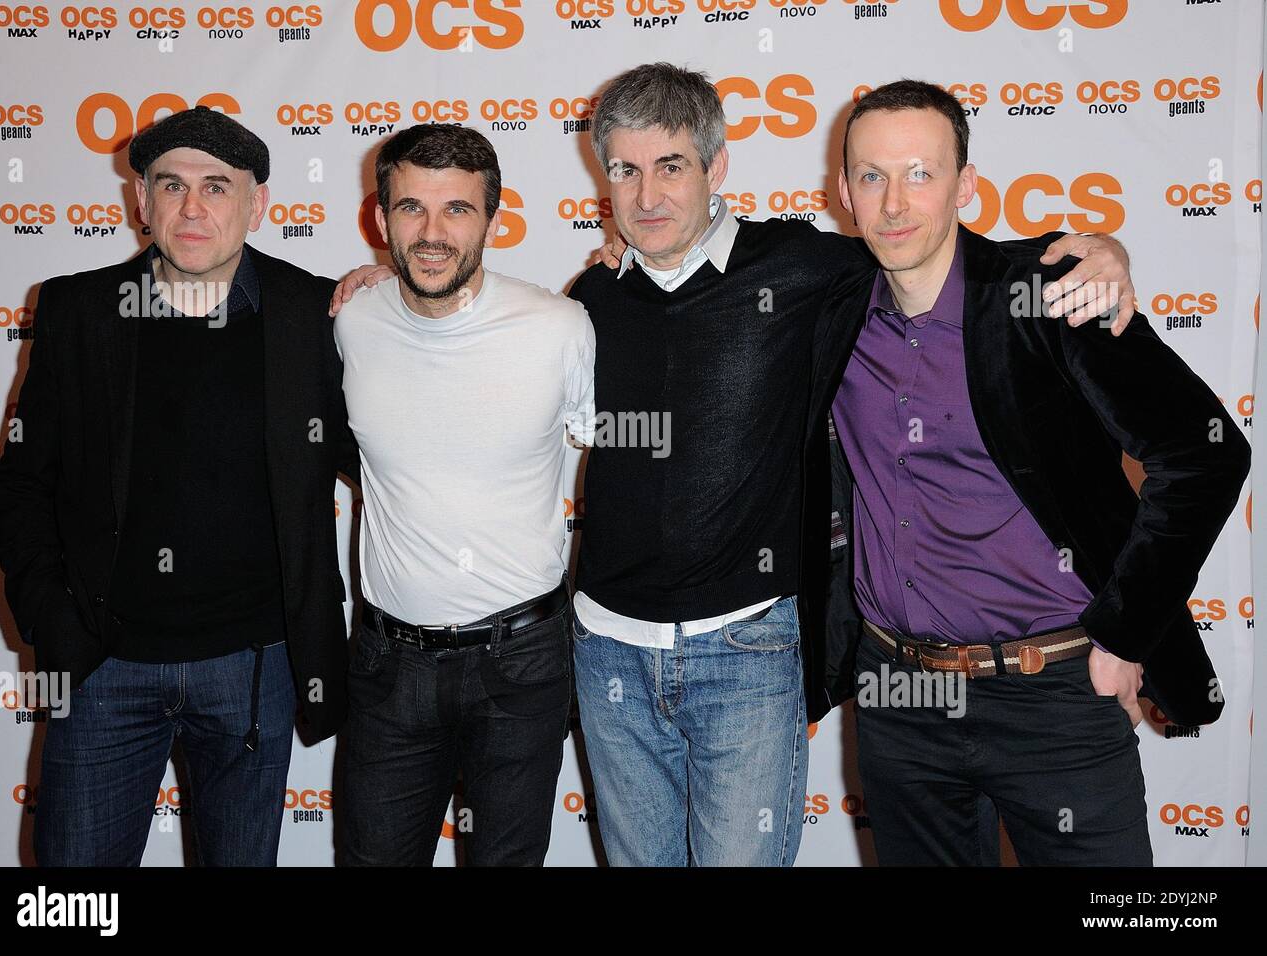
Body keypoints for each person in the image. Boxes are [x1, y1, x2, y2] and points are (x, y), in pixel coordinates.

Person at [332, 63, 1135, 866]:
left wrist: (1086, 252)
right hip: (607, 650)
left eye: (672, 166)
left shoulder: (802, 266)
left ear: (716, 169)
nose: (647, 196)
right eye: (626, 170)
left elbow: (931, 251)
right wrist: (384, 282)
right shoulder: (593, 299)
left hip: (748, 651)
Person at [801, 79, 1251, 865]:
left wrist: (1125, 628)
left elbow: (1206, 451)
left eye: (921, 173)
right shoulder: (829, 300)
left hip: (1054, 698)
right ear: (843, 191)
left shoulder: (1048, 294)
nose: (895, 202)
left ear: (966, 185)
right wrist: (623, 250)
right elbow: (698, 244)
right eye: (872, 176)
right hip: (900, 699)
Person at [0, 106, 357, 866]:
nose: (193, 209)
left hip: (255, 667)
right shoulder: (80, 310)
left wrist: (398, 289)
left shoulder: (312, 314)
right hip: (104, 667)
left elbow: (390, 454)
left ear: (257, 205)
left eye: (217, 187)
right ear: (140, 203)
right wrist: (56, 628)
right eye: (171, 186)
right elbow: (25, 483)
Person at [335, 124, 595, 866]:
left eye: (457, 210)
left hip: (522, 665)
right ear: (379, 217)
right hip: (389, 666)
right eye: (411, 208)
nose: (432, 233)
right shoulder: (352, 320)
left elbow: (629, 455)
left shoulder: (560, 328)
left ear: (493, 217)